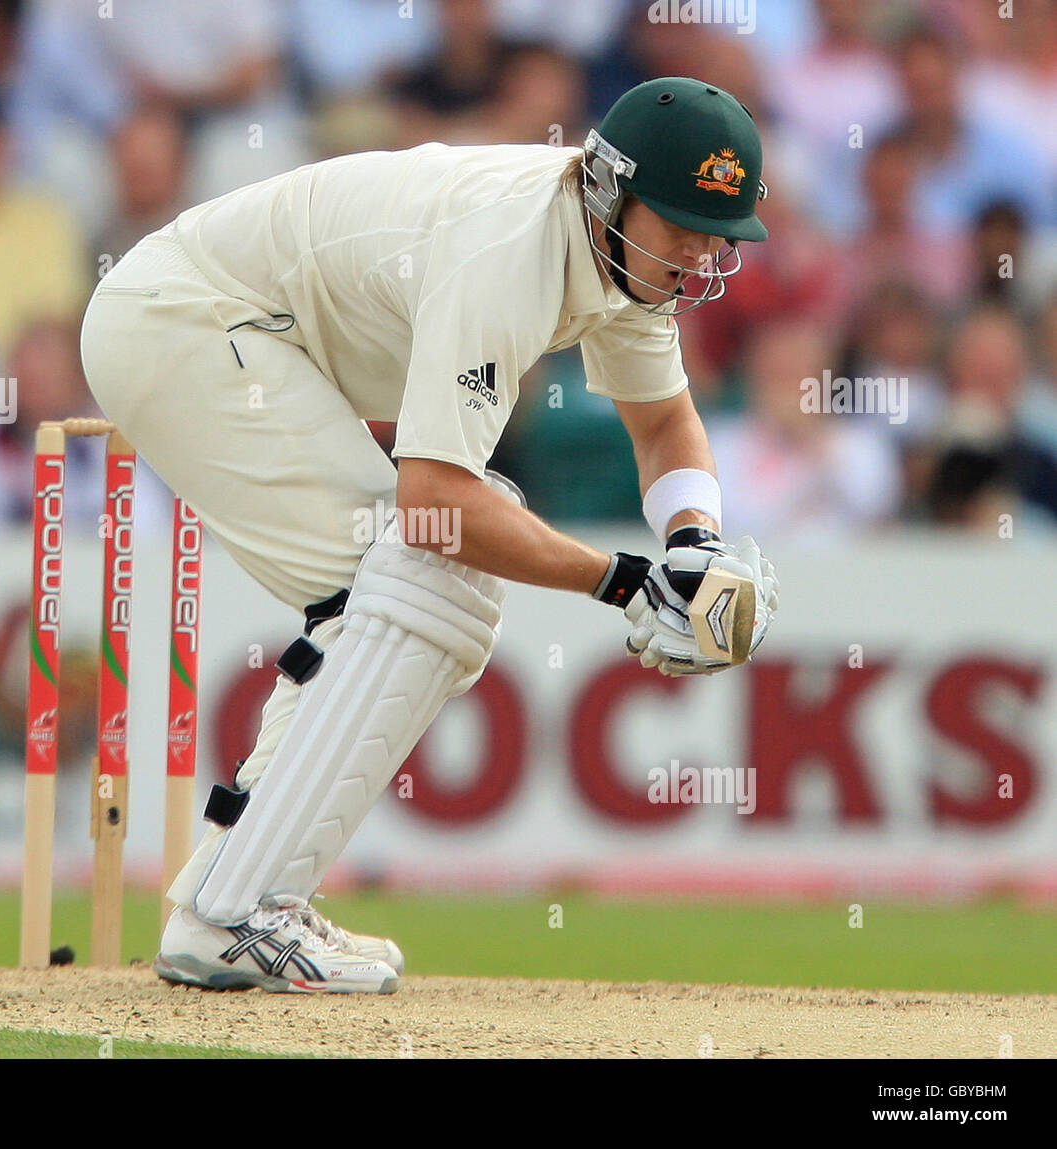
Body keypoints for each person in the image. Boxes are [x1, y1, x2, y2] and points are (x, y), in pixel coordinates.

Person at [80, 77, 780, 994]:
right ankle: (233, 911)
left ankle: (241, 899)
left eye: (712, 234)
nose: (696, 255)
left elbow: (662, 425)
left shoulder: (622, 260)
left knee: (401, 587)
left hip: (249, 335)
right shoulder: (508, 246)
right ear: (610, 188)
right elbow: (435, 504)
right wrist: (622, 582)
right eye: (681, 222)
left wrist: (691, 545)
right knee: (414, 574)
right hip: (188, 321)